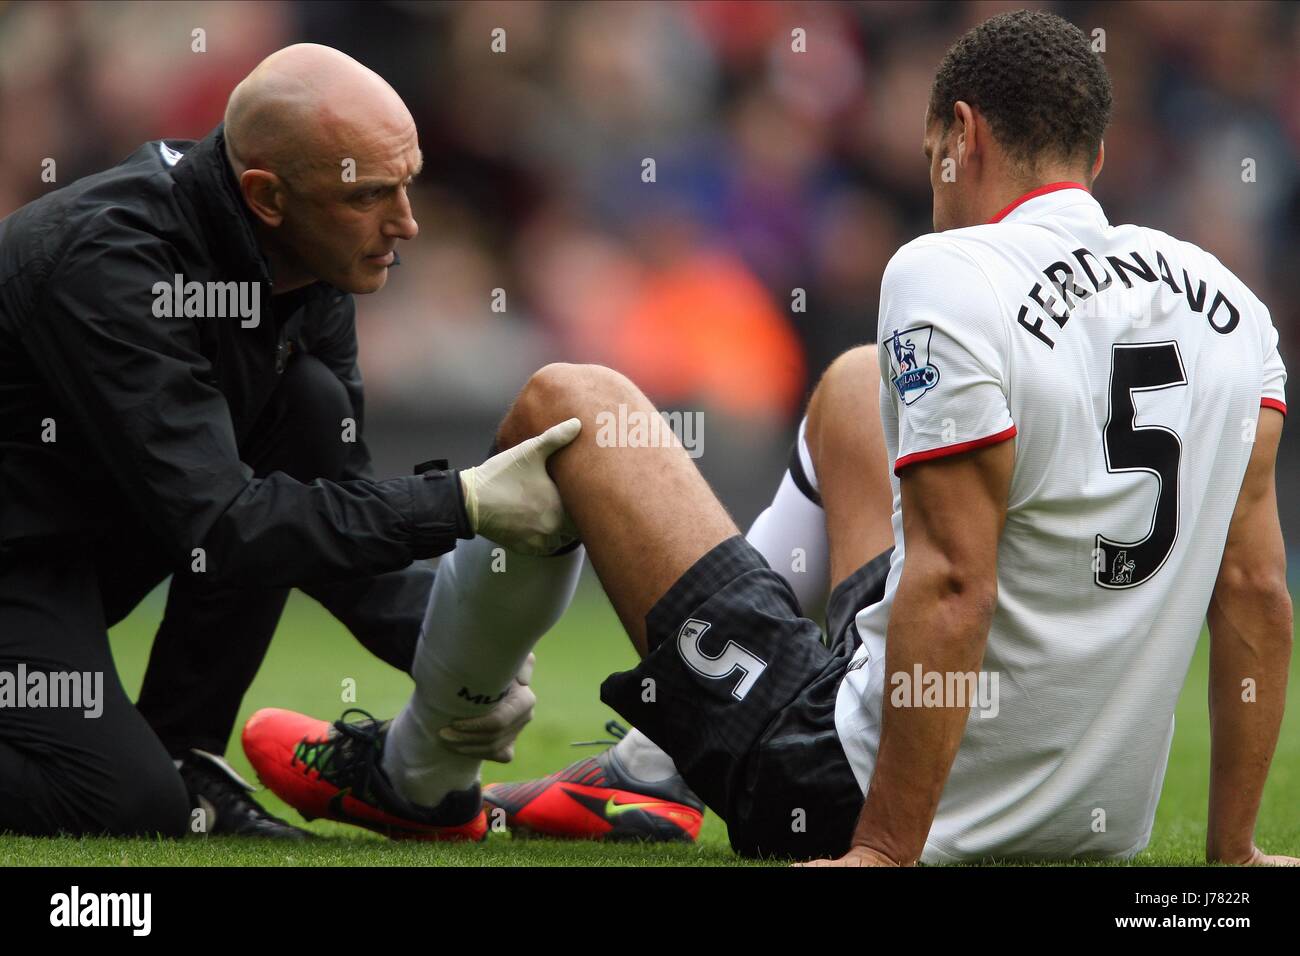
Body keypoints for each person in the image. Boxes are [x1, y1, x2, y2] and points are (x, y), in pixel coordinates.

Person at [244, 10, 1295, 865]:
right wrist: (1234, 852)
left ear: (960, 136)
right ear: (1096, 155)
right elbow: (1252, 590)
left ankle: (423, 774)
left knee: (570, 403)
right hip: (1079, 832)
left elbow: (951, 584)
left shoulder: (949, 273)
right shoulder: (1231, 308)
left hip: (849, 791)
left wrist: (878, 852)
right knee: (850, 387)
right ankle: (656, 764)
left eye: (935, 158)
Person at [0, 43, 573, 839]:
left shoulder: (310, 254)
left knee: (309, 406)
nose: (406, 224)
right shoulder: (107, 260)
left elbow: (327, 498)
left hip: (66, 537)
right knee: (119, 808)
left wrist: (460, 667)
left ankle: (184, 755)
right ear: (266, 196)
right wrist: (465, 501)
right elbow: (225, 527)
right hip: (21, 556)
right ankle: (163, 785)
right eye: (372, 195)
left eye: (407, 184)